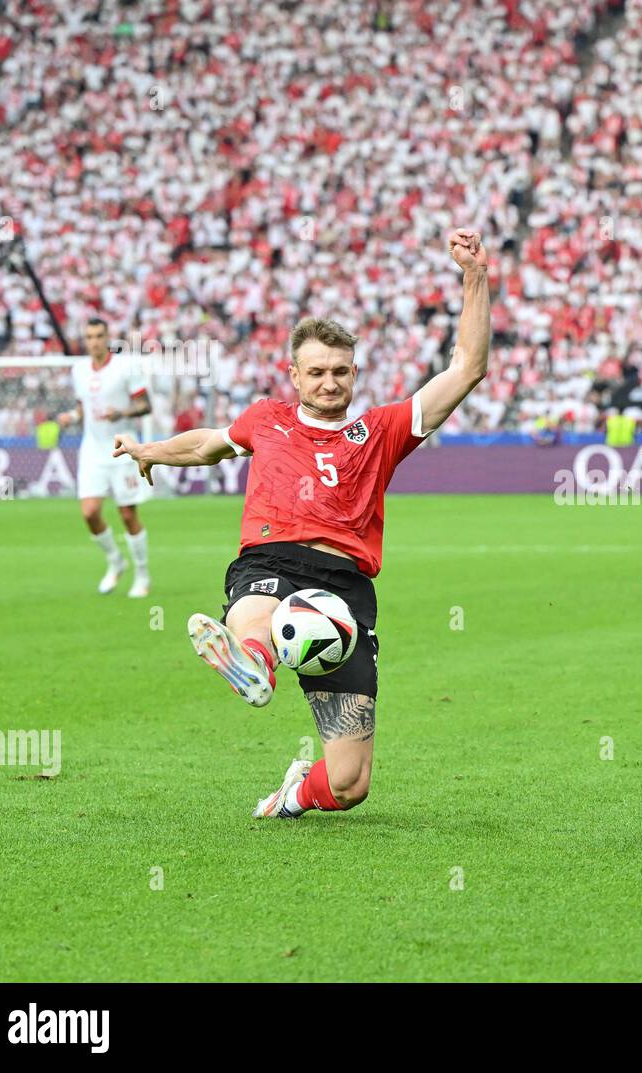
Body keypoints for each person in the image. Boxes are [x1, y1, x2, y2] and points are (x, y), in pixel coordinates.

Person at [111, 228, 491, 819]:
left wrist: (474, 277)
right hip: (271, 561)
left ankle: (293, 794)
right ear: (294, 374)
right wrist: (151, 450)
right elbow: (208, 445)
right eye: (316, 371)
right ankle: (252, 662)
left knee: (350, 784)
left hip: (343, 593)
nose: (329, 382)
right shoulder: (267, 420)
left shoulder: (382, 431)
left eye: (340, 371)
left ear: (354, 373)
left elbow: (467, 368)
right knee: (258, 612)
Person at [55, 318, 153, 597]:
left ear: (107, 337)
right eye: (89, 336)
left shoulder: (125, 368)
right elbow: (83, 408)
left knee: (127, 514)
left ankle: (142, 575)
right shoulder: (79, 371)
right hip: (92, 451)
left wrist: (121, 413)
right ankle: (115, 561)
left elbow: (145, 406)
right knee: (89, 512)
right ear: (84, 340)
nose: (94, 341)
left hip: (122, 449)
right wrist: (71, 417)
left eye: (99, 335)